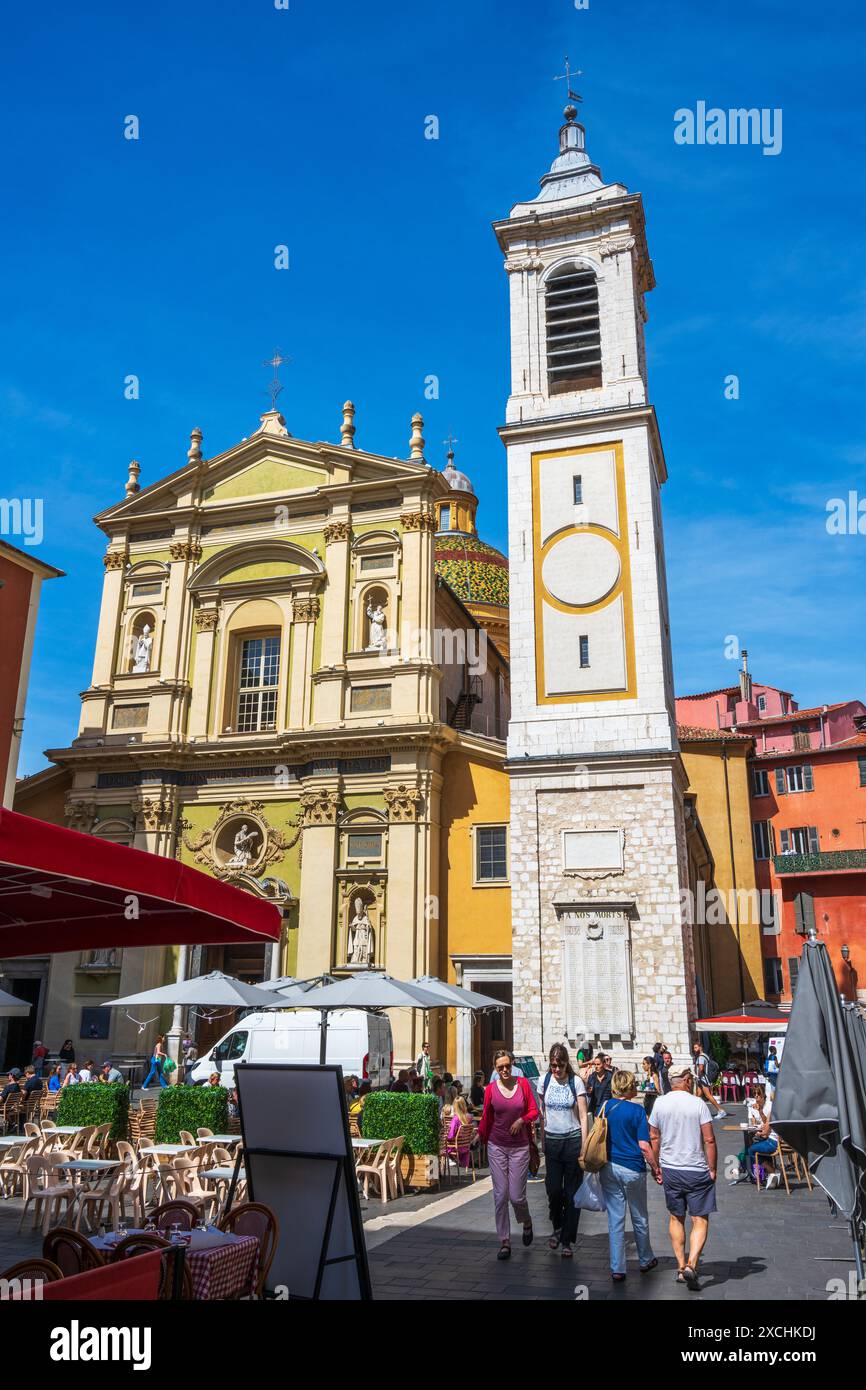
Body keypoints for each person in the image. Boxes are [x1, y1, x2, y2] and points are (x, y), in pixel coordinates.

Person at [649, 1065, 718, 1290]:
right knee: (699, 1219)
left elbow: (654, 1136)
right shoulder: (697, 1104)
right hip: (696, 1168)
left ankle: (680, 1267)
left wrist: (656, 1165)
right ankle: (692, 1263)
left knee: (675, 1217)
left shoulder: (659, 1103)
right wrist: (713, 1167)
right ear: (687, 1080)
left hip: (671, 1168)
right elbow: (709, 1139)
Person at [476, 1049, 538, 1261]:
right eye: (499, 1067)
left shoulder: (523, 1085)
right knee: (500, 1196)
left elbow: (534, 1111)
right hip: (496, 1146)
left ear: (512, 1065)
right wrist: (478, 1136)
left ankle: (526, 1221)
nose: (504, 1070)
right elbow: (486, 1117)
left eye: (507, 1066)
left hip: (519, 1147)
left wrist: (522, 1120)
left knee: (516, 1196)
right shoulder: (491, 1089)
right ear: (495, 1068)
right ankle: (505, 1241)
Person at [599, 1070, 661, 1281]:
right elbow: (644, 1145)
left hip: (608, 1167)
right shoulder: (637, 1111)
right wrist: (655, 1167)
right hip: (633, 1168)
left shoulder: (605, 1107)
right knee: (639, 1215)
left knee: (615, 1218)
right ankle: (645, 1259)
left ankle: (618, 1267)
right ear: (630, 1087)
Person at [539, 1043, 588, 1259]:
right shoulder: (545, 1080)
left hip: (573, 1140)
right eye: (552, 1066)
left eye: (559, 1065)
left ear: (566, 1063)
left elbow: (584, 1116)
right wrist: (541, 1140)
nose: (556, 1070)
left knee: (572, 1193)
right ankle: (557, 1227)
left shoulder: (576, 1082)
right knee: (553, 1190)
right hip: (552, 1142)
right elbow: (542, 1113)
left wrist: (584, 1145)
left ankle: (567, 1239)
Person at [733, 1084, 780, 1185]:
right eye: (754, 1094)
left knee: (751, 1149)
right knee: (752, 1144)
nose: (756, 1096)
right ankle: (759, 1173)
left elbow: (766, 1131)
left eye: (759, 1094)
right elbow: (756, 1123)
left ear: (764, 1096)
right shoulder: (782, 1110)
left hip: (773, 1141)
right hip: (779, 1141)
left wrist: (761, 1132)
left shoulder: (771, 1108)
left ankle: (769, 1172)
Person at [692, 1041, 726, 1118]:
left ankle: (721, 1110)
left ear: (700, 1047)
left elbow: (701, 1068)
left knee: (708, 1096)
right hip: (702, 1079)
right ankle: (695, 1112)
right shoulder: (705, 1056)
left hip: (703, 1079)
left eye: (696, 1047)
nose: (694, 1049)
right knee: (697, 1096)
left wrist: (697, 1076)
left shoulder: (701, 1057)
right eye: (694, 1048)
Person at [445, 1095, 477, 1168]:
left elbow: (450, 1136)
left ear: (454, 1106)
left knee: (440, 1146)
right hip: (466, 1147)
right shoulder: (468, 1118)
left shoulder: (455, 1119)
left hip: (456, 1148)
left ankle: (447, 1164)